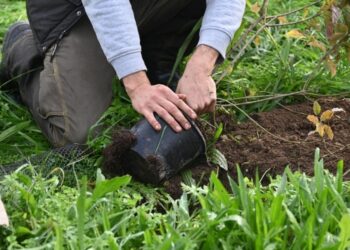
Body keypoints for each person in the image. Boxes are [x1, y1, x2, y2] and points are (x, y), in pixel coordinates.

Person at [0, 0, 245, 147]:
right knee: (81, 133)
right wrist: (137, 85)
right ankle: (23, 47)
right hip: (73, 12)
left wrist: (201, 65)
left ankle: (156, 64)